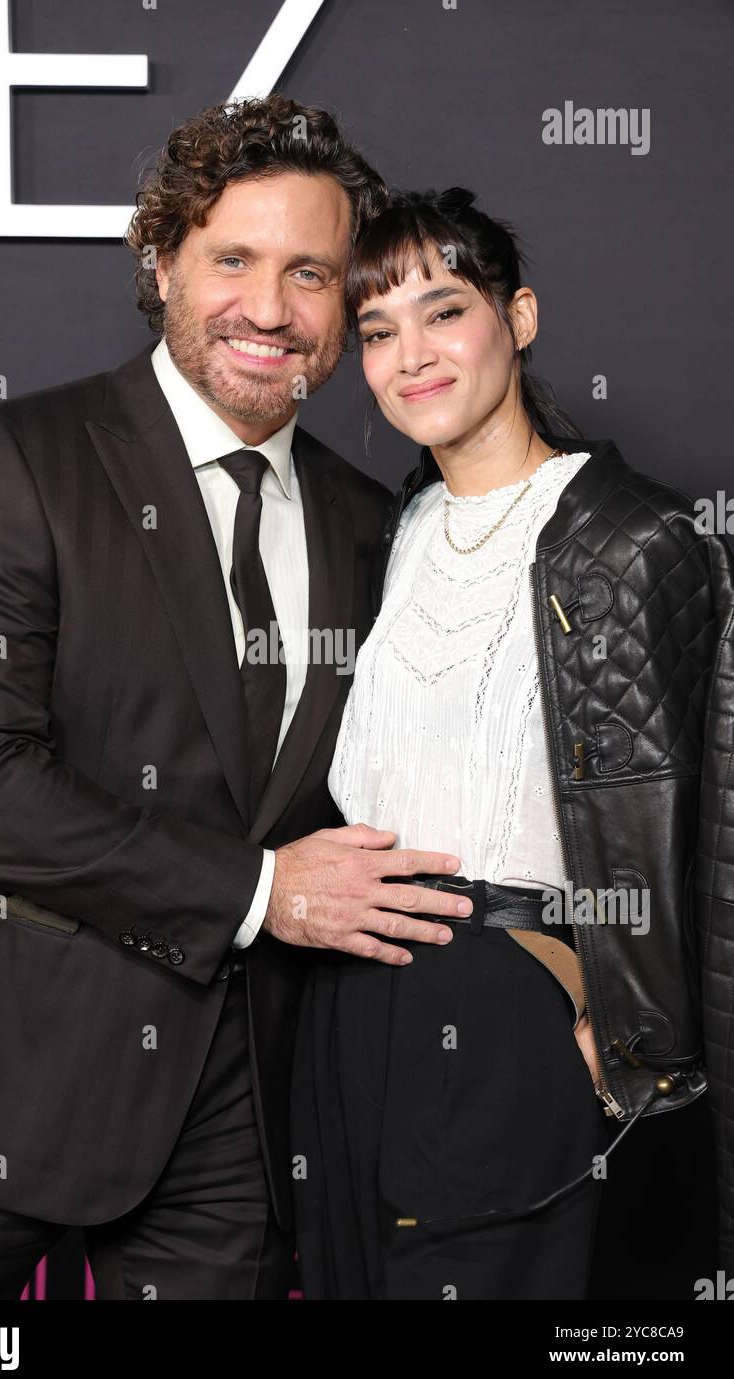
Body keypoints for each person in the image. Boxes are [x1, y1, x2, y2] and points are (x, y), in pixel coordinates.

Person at [0, 103, 474, 1301]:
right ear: (161, 265)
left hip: (237, 1126)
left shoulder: (375, 522)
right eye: (232, 261)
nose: (267, 309)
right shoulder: (16, 459)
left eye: (308, 273)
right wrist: (262, 891)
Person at [290, 186, 734, 1300]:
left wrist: (628, 1029)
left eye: (443, 311)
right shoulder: (387, 528)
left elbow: (699, 822)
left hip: (520, 995)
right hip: (351, 999)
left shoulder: (632, 539)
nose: (410, 356)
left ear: (518, 318)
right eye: (378, 330)